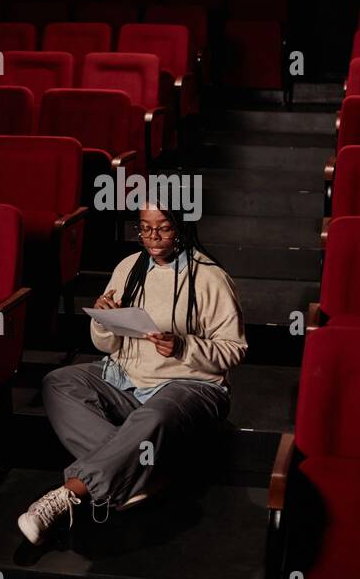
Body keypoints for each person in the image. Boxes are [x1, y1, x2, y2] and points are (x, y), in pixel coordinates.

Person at [18, 202, 247, 545]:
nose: (152, 237)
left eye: (163, 228)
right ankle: (146, 470)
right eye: (144, 228)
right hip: (128, 378)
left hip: (190, 386)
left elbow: (235, 349)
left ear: (181, 227)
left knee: (154, 414)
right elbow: (107, 345)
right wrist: (103, 318)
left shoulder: (210, 278)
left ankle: (68, 494)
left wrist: (185, 347)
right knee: (59, 382)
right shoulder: (128, 268)